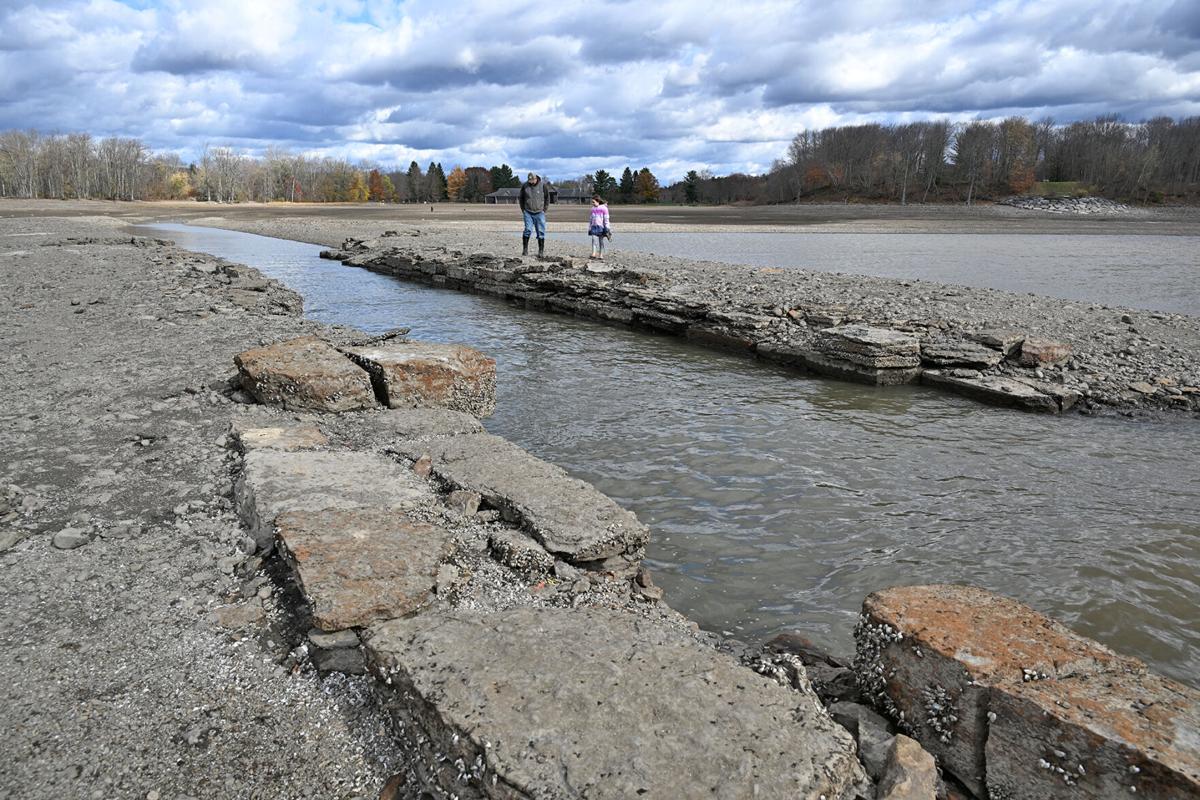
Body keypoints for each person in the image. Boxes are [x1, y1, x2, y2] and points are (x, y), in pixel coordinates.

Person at [518, 172, 550, 257]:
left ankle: (541, 251)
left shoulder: (543, 186)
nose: (530, 182)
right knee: (527, 229)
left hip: (540, 212)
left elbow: (547, 198)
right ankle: (525, 250)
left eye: (532, 180)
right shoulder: (525, 186)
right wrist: (523, 210)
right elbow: (521, 198)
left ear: (536, 179)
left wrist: (544, 209)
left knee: (541, 231)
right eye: (529, 180)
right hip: (528, 212)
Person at [588, 194, 611, 260]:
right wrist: (589, 227)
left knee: (600, 241)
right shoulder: (592, 209)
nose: (592, 203)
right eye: (592, 202)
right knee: (593, 239)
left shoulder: (604, 208)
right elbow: (590, 219)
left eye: (593, 202)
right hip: (593, 227)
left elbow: (606, 219)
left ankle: (600, 255)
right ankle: (593, 254)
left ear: (598, 201)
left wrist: (607, 228)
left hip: (601, 227)